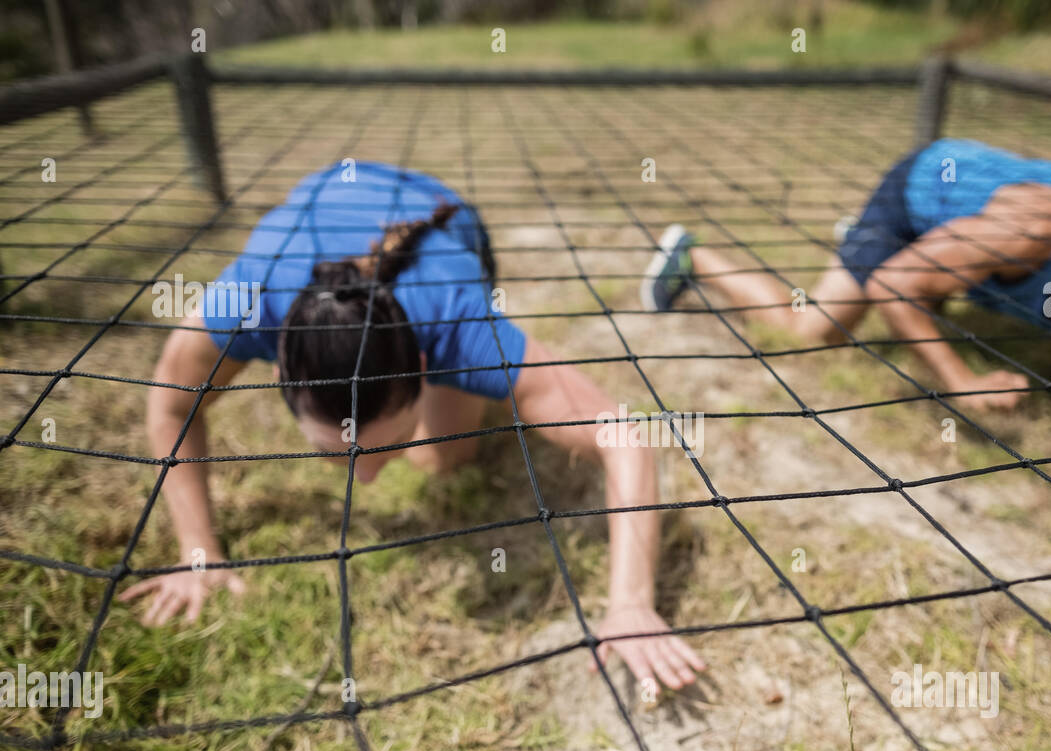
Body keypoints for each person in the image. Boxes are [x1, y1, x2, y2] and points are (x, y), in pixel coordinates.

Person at [121, 161, 704, 692]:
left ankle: (498, 400)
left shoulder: (459, 325)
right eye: (340, 454)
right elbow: (172, 404)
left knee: (445, 460)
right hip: (327, 196)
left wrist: (631, 603)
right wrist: (199, 551)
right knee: (438, 456)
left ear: (425, 367)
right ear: (276, 371)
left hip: (441, 214)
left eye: (386, 444)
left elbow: (624, 434)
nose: (366, 480)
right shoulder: (249, 299)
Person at [642, 138, 1051, 473]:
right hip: (919, 197)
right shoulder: (1030, 229)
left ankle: (924, 254)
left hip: (970, 230)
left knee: (944, 274)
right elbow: (893, 290)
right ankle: (696, 256)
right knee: (814, 329)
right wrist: (960, 383)